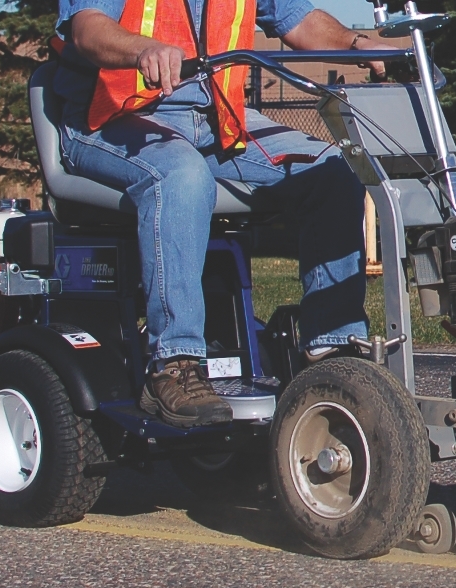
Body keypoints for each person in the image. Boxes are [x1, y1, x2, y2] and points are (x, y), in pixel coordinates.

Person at [53, 0, 392, 427]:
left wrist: (357, 43)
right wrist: (142, 49)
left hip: (216, 121)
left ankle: (332, 351)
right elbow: (87, 29)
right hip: (111, 116)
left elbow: (299, 21)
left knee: (333, 170)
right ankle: (173, 363)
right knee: (182, 174)